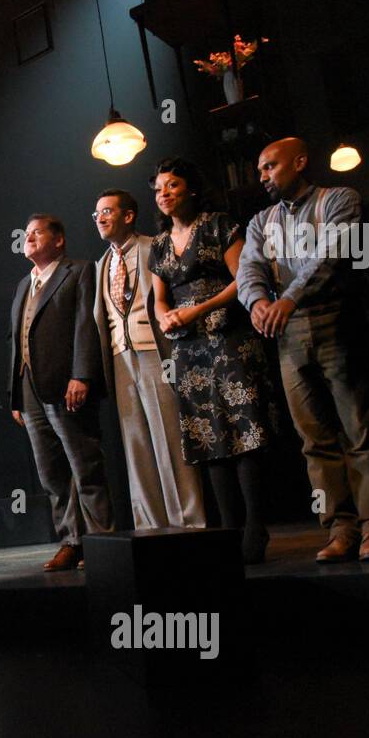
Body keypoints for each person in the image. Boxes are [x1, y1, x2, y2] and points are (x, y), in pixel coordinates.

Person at [237, 137, 369, 562]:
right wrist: (257, 302)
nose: (263, 175)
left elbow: (331, 254)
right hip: (288, 334)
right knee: (314, 442)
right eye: (260, 169)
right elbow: (249, 265)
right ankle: (339, 530)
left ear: (300, 162)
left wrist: (288, 297)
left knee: (360, 431)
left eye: (270, 166)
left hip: (336, 321)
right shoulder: (260, 221)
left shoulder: (339, 199)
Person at [148, 157, 274, 563]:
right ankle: (229, 529)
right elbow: (160, 295)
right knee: (208, 434)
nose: (164, 194)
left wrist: (197, 309)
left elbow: (243, 280)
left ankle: (256, 525)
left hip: (229, 335)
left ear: (192, 189)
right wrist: (166, 315)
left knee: (243, 427)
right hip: (187, 347)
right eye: (159, 189)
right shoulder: (159, 243)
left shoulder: (220, 224)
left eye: (172, 186)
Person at [92, 189, 207, 530]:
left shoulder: (154, 246)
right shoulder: (101, 263)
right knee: (136, 445)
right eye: (96, 213)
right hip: (119, 357)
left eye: (107, 211)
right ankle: (151, 525)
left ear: (128, 216)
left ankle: (188, 522)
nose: (100, 218)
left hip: (156, 353)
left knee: (169, 438)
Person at [8, 214, 114, 571]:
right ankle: (71, 540)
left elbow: (87, 323)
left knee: (84, 464)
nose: (30, 238)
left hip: (66, 384)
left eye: (38, 232)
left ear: (59, 240)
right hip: (30, 390)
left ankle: (102, 539)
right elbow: (17, 341)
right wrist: (15, 397)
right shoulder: (25, 283)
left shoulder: (79, 270)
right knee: (51, 472)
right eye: (27, 234)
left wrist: (81, 374)